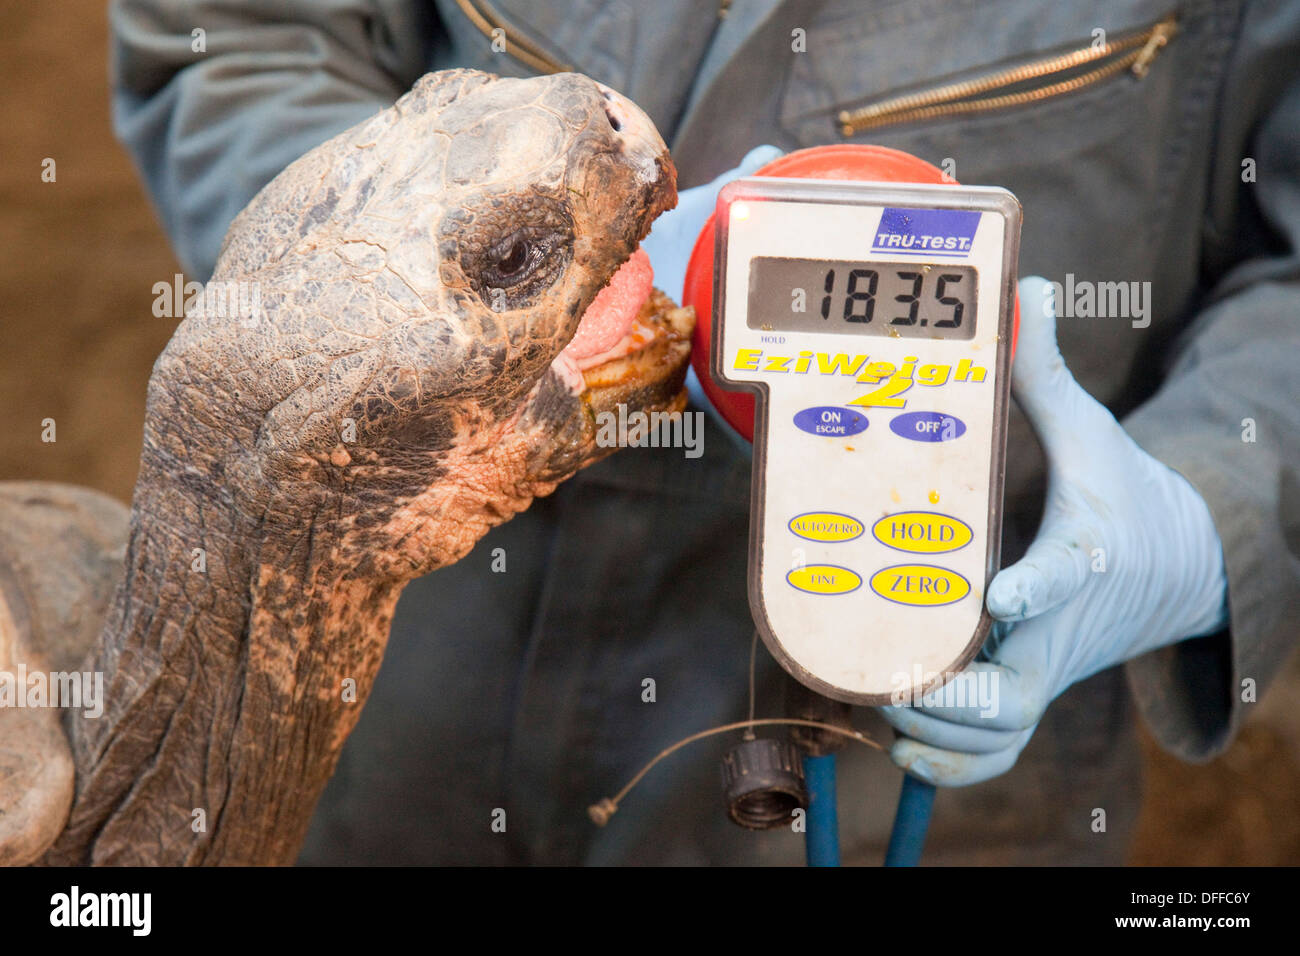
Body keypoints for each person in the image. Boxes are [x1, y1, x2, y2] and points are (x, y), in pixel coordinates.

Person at [108, 0, 1300, 865]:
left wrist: (1205, 507)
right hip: (409, 690)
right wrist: (421, 304)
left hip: (939, 727)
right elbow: (238, 38)